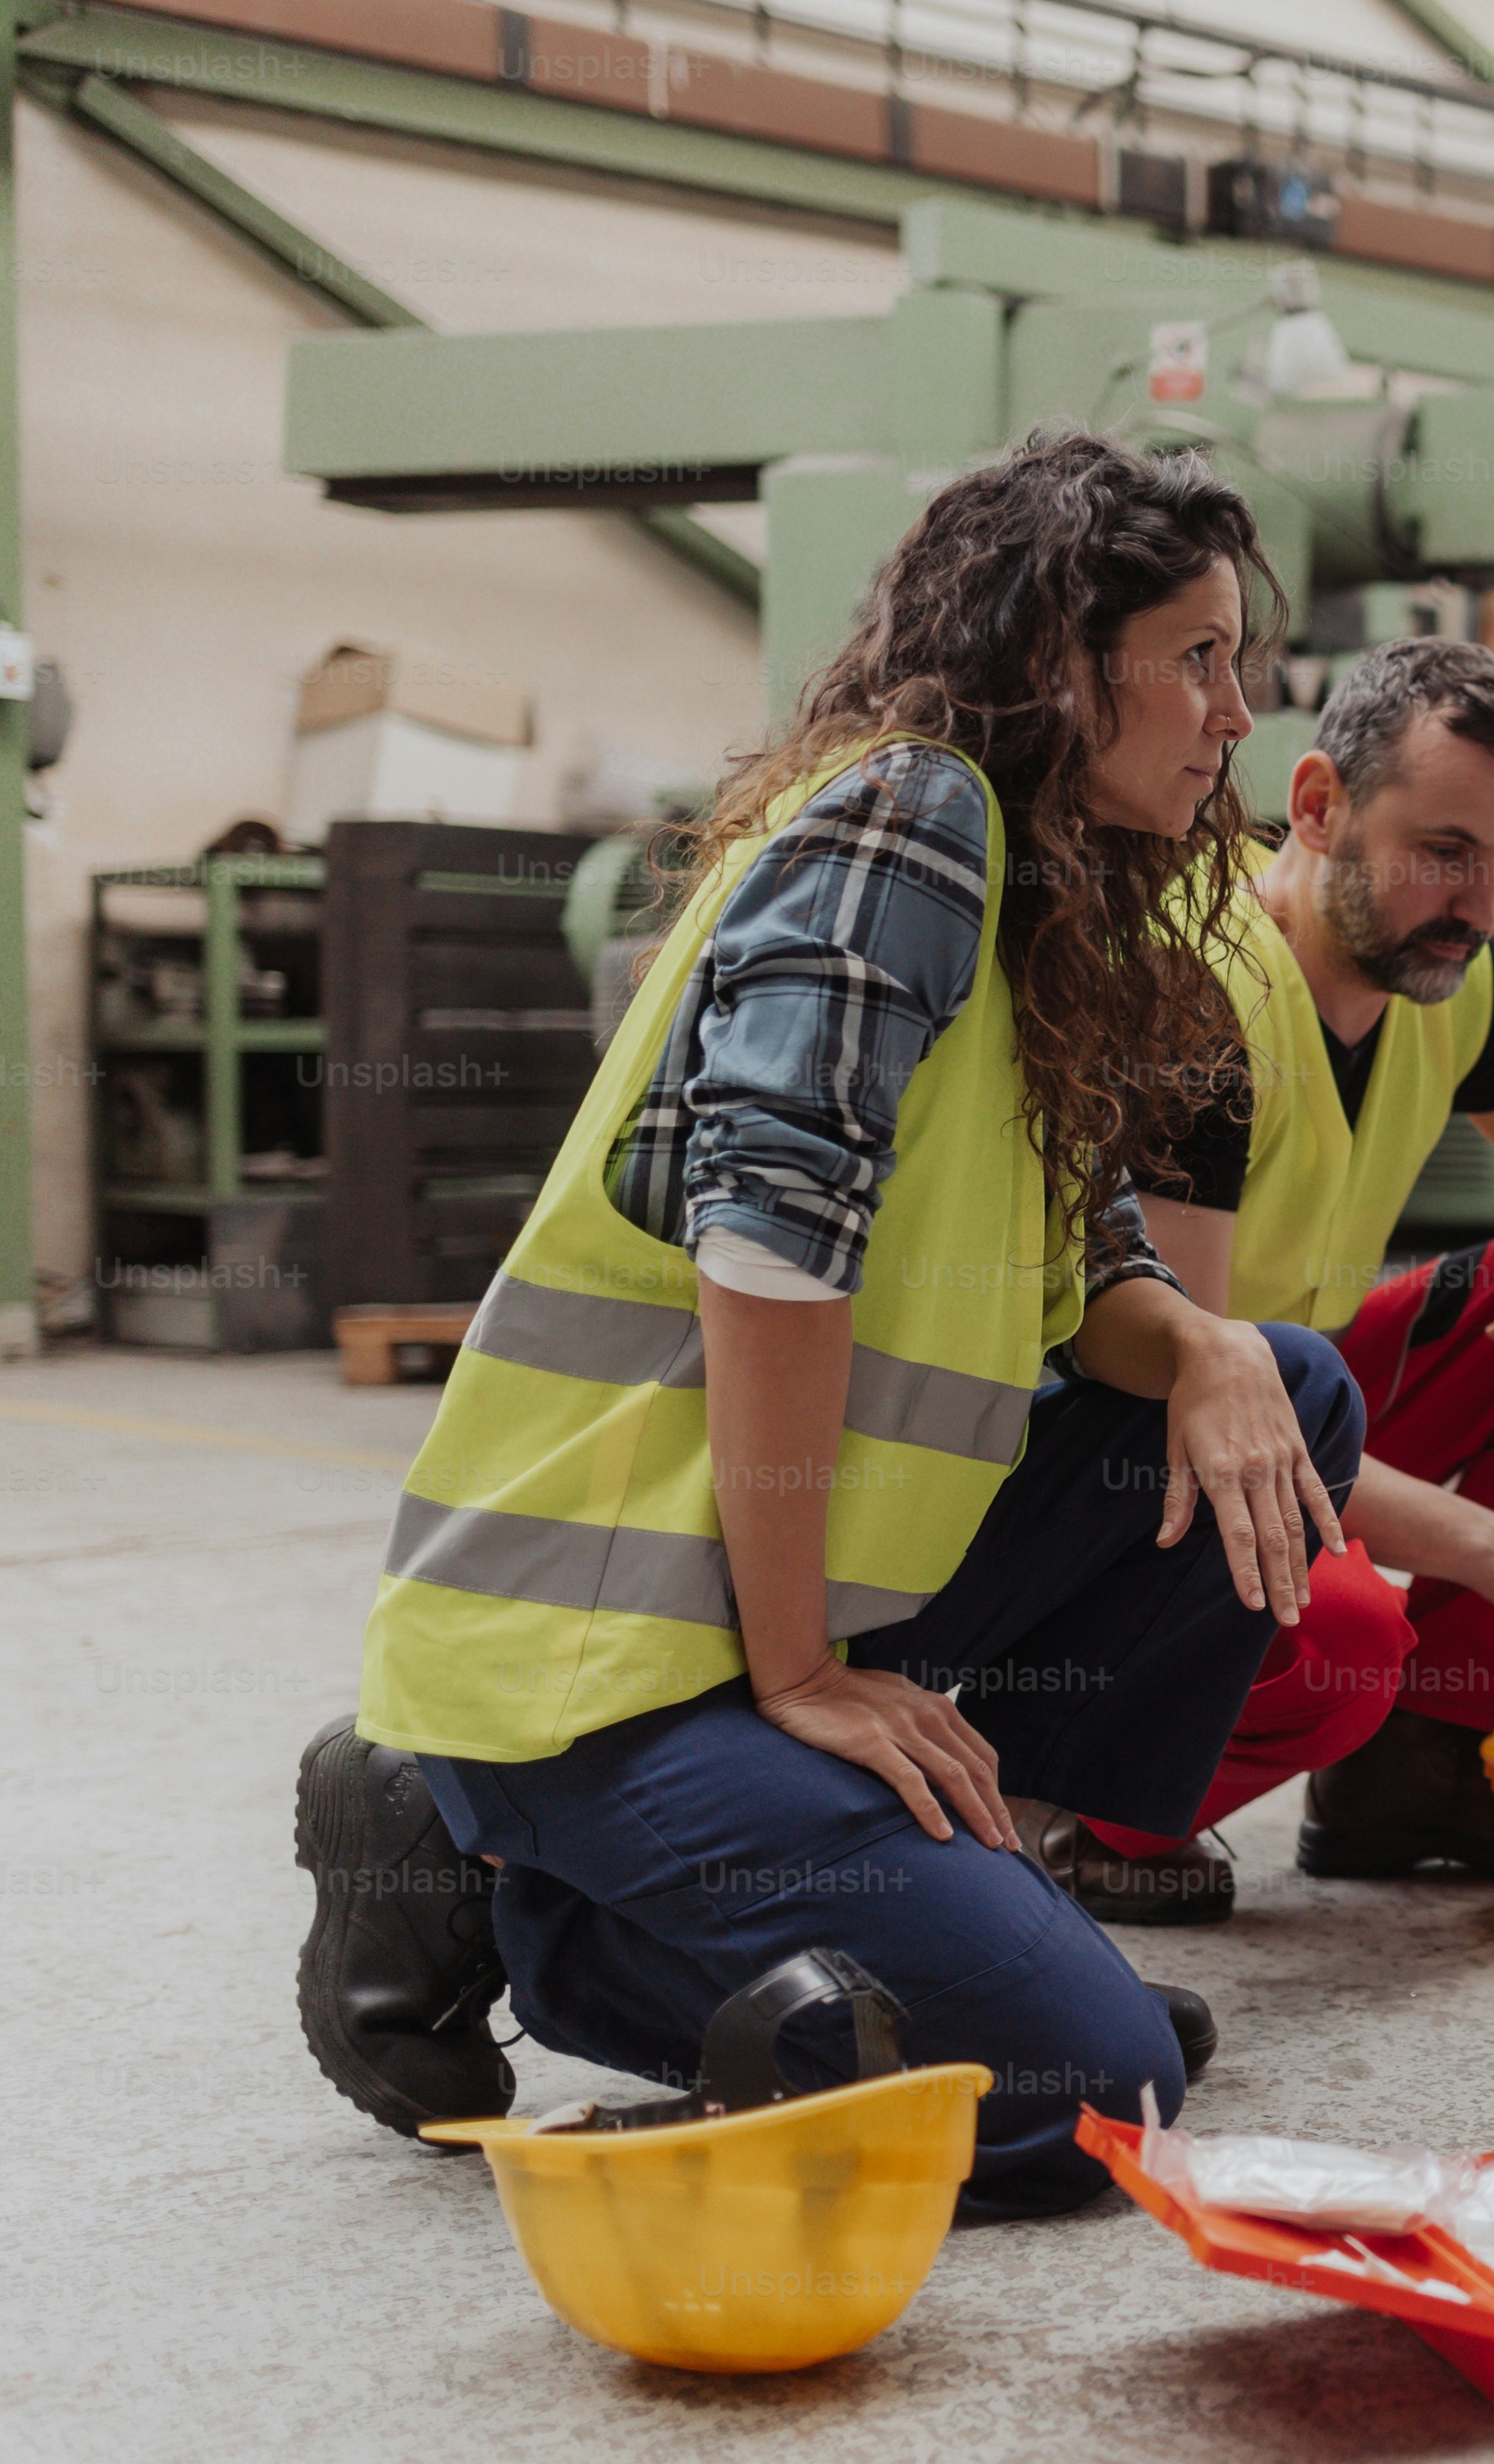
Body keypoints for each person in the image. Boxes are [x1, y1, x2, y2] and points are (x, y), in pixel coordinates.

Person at [293, 430, 1365, 2216]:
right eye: (1195, 658)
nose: (1233, 710)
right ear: (1054, 663)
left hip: (758, 1605)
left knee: (1288, 1389)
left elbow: (1088, 1264)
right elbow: (771, 1248)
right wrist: (795, 1669)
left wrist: (1208, 1343)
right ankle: (508, 1895)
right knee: (1091, 2096)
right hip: (607, 1649)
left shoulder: (1040, 900)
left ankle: (979, 1905)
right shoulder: (914, 815)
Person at [1013, 639, 1494, 1924]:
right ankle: (1092, 1798)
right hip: (1144, 1458)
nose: (1482, 901)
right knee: (1343, 1647)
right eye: (1446, 850)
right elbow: (1196, 1403)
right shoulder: (1202, 989)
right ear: (1319, 805)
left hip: (1303, 1401)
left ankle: (1424, 1767)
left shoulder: (1441, 972)